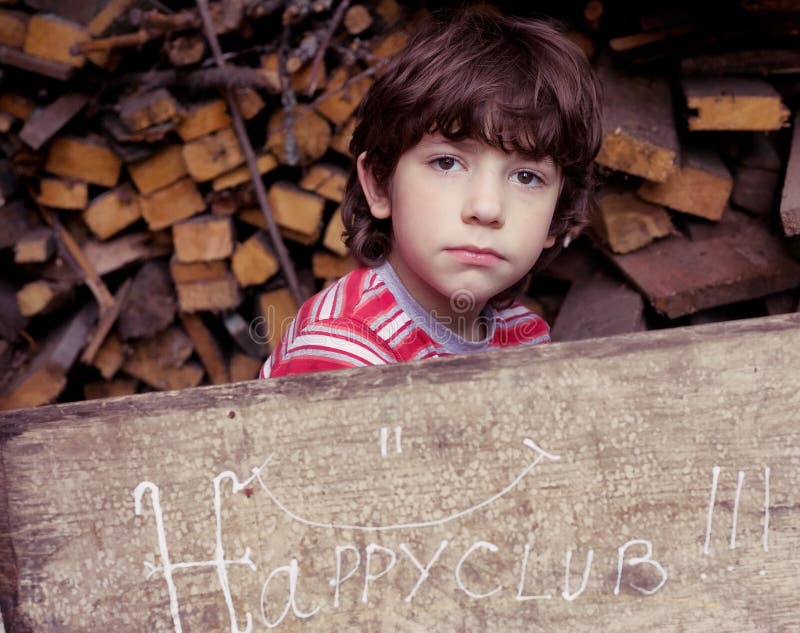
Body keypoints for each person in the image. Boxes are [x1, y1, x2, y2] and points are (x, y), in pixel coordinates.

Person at [261, 3, 602, 379]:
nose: (487, 208)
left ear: (557, 215)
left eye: (526, 177)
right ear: (379, 184)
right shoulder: (340, 358)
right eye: (447, 163)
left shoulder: (523, 337)